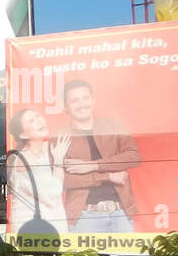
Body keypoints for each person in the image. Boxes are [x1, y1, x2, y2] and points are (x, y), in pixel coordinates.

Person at [59, 79, 141, 234]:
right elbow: (61, 180)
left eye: (85, 98)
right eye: (74, 100)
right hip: (84, 217)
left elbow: (134, 156)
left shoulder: (113, 126)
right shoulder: (60, 137)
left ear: (93, 100)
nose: (82, 104)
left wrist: (93, 165)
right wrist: (107, 176)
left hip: (121, 213)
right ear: (66, 107)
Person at [7, 108, 71, 235]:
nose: (39, 121)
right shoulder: (23, 160)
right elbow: (52, 193)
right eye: (32, 120)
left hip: (55, 226)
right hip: (33, 231)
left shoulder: (47, 150)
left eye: (38, 116)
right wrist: (58, 160)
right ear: (23, 135)